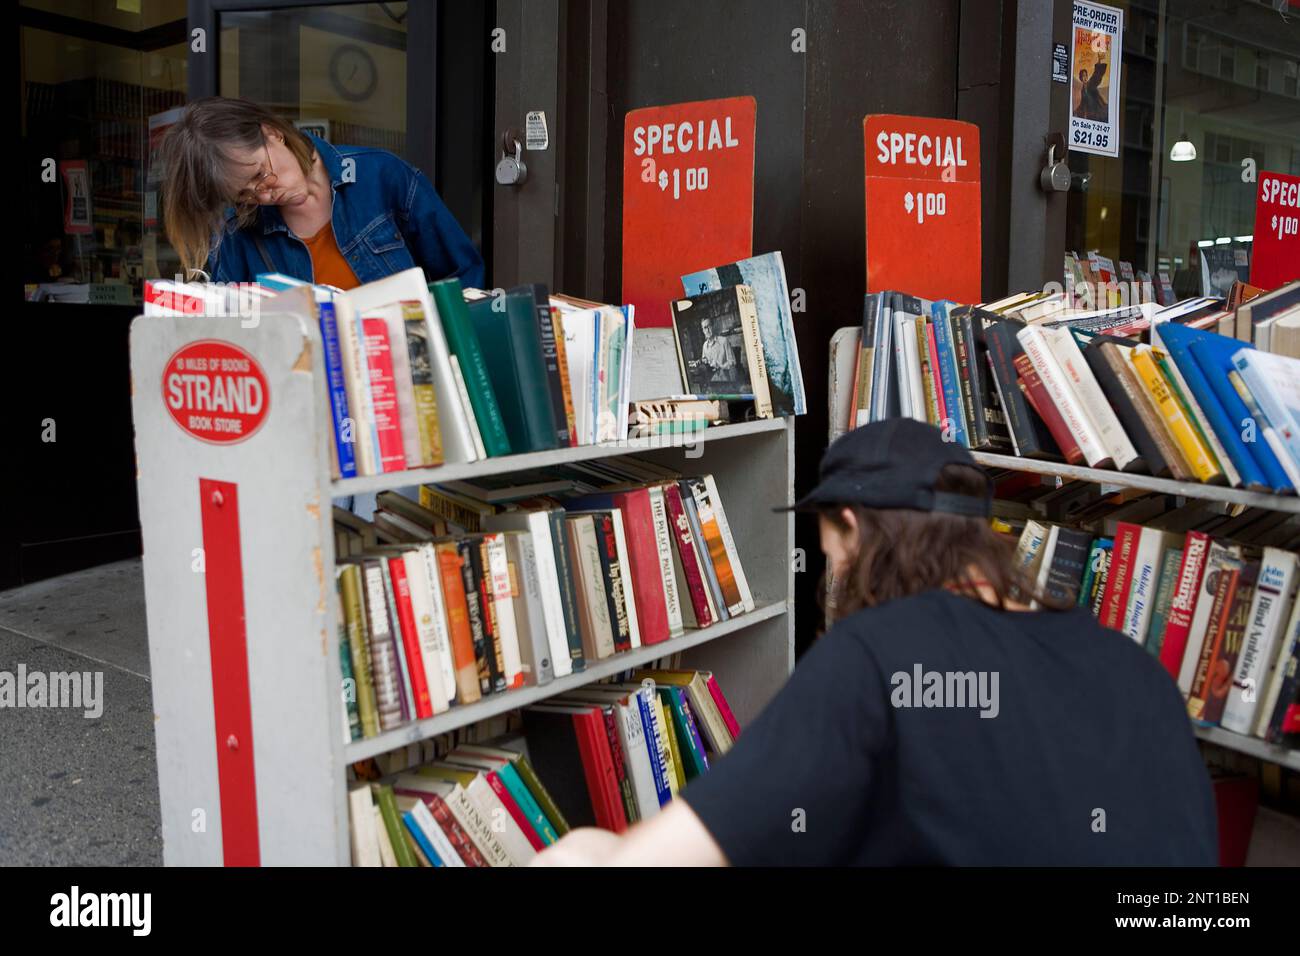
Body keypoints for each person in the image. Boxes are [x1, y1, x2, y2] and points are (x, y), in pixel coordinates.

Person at [532, 419, 1219, 866]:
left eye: (829, 552)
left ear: (855, 531)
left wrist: (587, 849)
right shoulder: (1132, 666)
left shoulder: (878, 654)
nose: (832, 579)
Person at [159, 96, 483, 290]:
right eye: (245, 195)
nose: (265, 196)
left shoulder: (380, 177)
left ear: (271, 133)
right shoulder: (239, 234)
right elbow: (235, 335)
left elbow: (462, 275)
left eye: (261, 174)